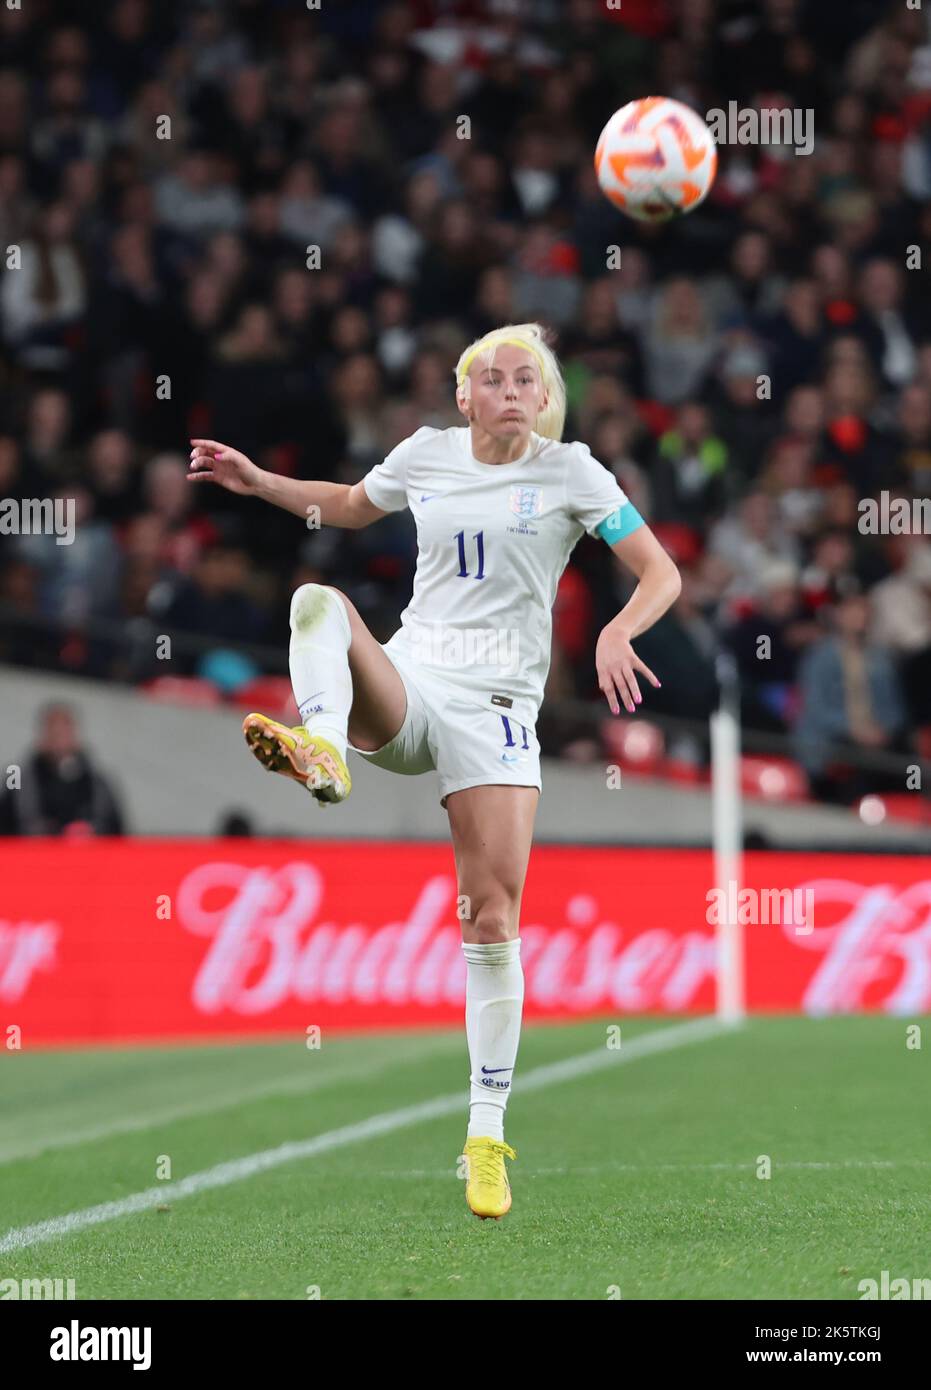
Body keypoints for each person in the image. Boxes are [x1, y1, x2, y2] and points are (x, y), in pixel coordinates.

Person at [187, 321, 681, 1220]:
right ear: (462, 397)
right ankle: (324, 751)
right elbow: (343, 504)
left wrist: (617, 629)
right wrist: (258, 482)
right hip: (413, 684)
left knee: (492, 922)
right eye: (486, 377)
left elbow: (659, 574)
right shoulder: (425, 453)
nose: (503, 389)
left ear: (542, 398)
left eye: (521, 379)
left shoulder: (572, 472)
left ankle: (484, 1136)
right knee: (316, 602)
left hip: (495, 712)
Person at [0, 702, 124, 836]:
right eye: (53, 731)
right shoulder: (16, 781)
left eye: (64, 731)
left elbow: (118, 836)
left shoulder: (99, 785)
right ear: (42, 736)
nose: (59, 740)